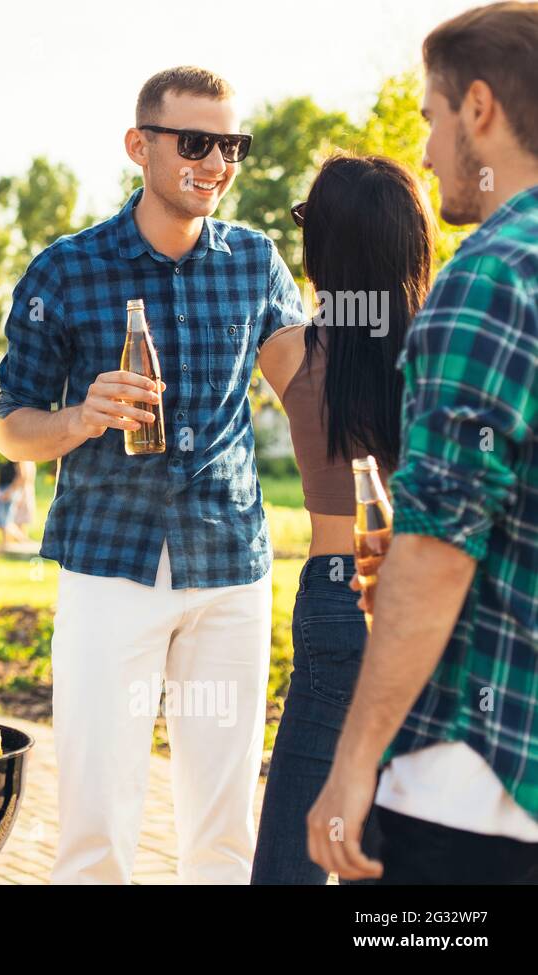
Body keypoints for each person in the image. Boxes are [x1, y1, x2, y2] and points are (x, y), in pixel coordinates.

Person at [0, 66, 303, 883]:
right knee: (97, 819)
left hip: (230, 562)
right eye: (196, 142)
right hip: (110, 565)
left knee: (225, 822)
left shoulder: (255, 262)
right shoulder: (65, 271)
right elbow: (14, 428)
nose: (217, 161)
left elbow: (309, 393)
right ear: (140, 146)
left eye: (231, 144)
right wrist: (82, 416)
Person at [309, 0, 538, 884]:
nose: (430, 150)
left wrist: (354, 759)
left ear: (478, 108)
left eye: (431, 119)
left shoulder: (489, 275)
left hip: (472, 782)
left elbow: (440, 547)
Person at [251, 154, 436, 884]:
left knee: (300, 824)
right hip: (425, 590)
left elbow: (311, 308)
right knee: (410, 826)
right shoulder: (443, 352)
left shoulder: (288, 353)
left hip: (333, 593)